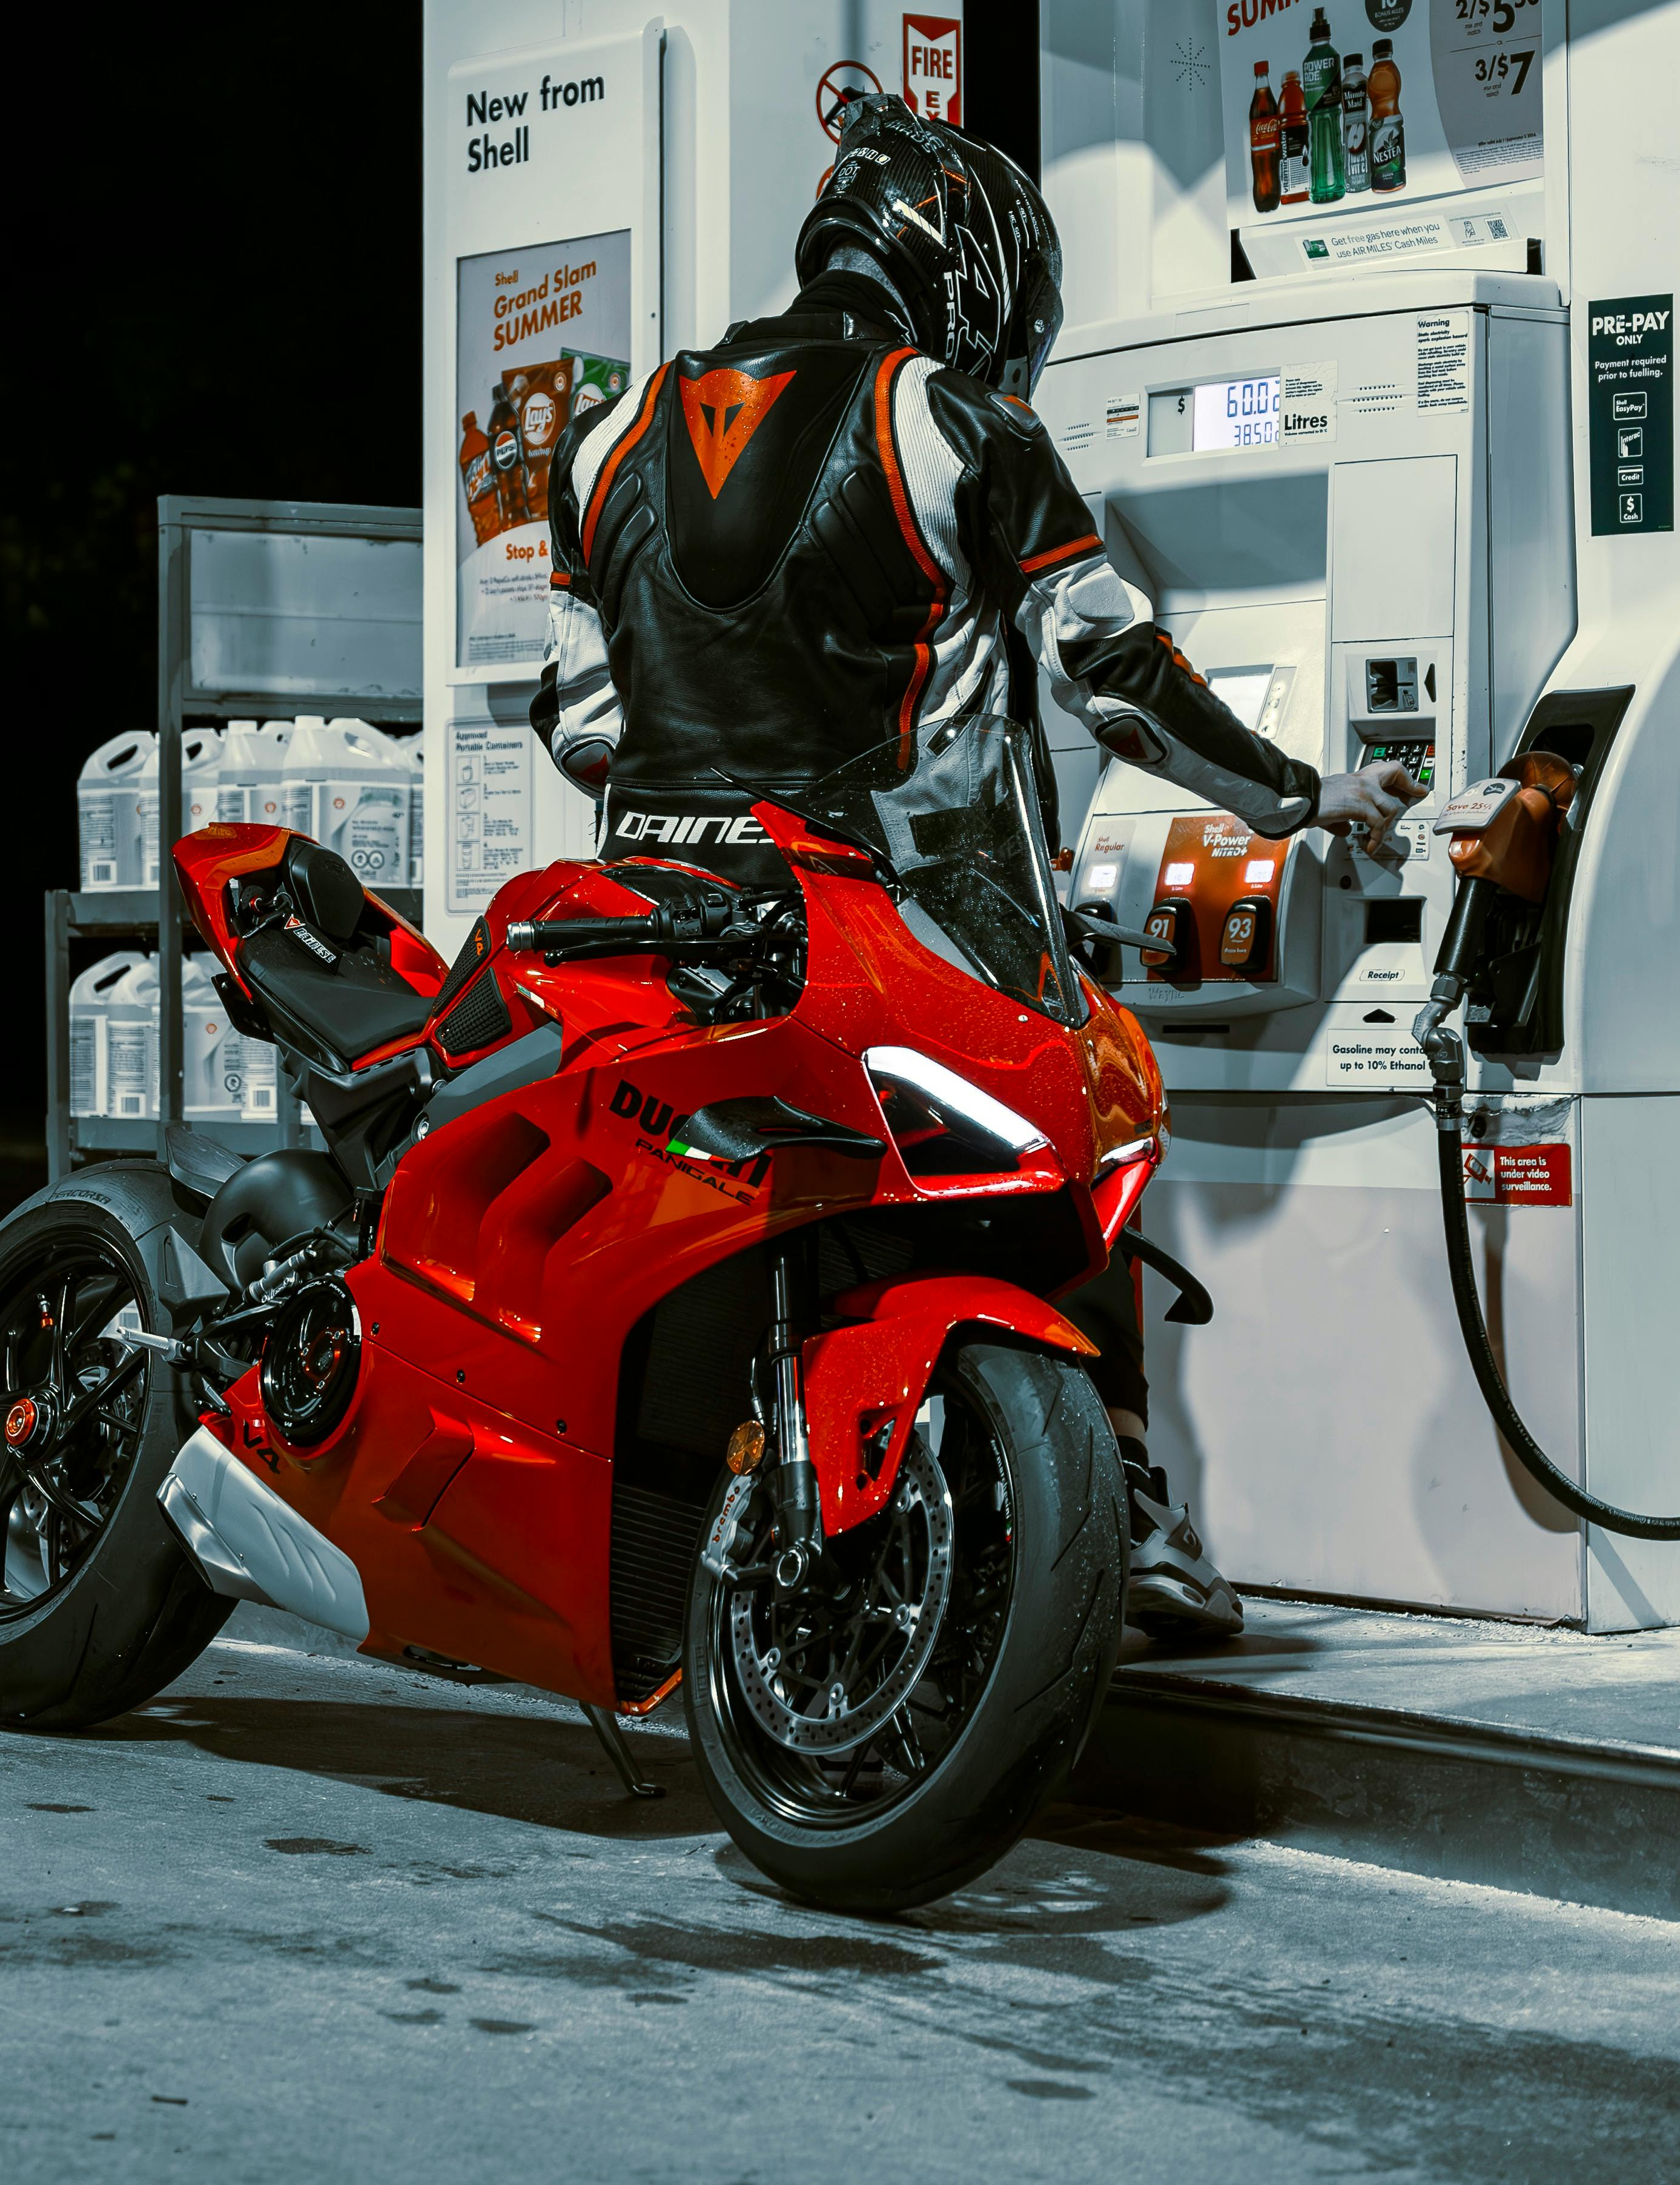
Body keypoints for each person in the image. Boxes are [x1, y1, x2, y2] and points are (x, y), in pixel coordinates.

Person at [531, 94, 1419, 1642]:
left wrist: (702, 814)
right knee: (1095, 1080)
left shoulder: (603, 433)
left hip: (652, 929)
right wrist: (1301, 795)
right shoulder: (958, 428)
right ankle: (1127, 1501)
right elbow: (1122, 680)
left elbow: (573, 715)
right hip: (872, 933)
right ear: (974, 268)